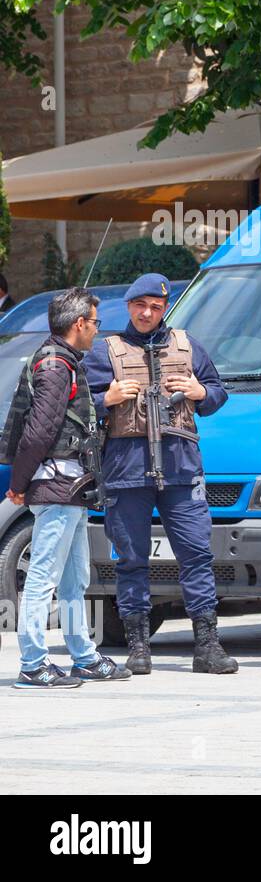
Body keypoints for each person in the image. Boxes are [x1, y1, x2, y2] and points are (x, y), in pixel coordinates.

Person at [83, 273, 237, 675]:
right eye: (140, 305)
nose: (147, 313)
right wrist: (106, 399)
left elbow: (218, 392)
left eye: (155, 306)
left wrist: (202, 392)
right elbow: (78, 406)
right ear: (130, 306)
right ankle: (138, 646)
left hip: (181, 472)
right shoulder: (106, 353)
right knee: (131, 560)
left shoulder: (187, 347)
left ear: (164, 307)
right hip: (127, 473)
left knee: (197, 556)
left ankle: (207, 645)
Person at [3, 288, 129, 687]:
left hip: (72, 487)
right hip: (57, 484)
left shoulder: (64, 360)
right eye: (95, 323)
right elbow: (39, 431)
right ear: (79, 324)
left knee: (76, 578)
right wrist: (19, 484)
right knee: (44, 576)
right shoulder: (57, 365)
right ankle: (34, 663)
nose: (96, 330)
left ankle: (83, 656)